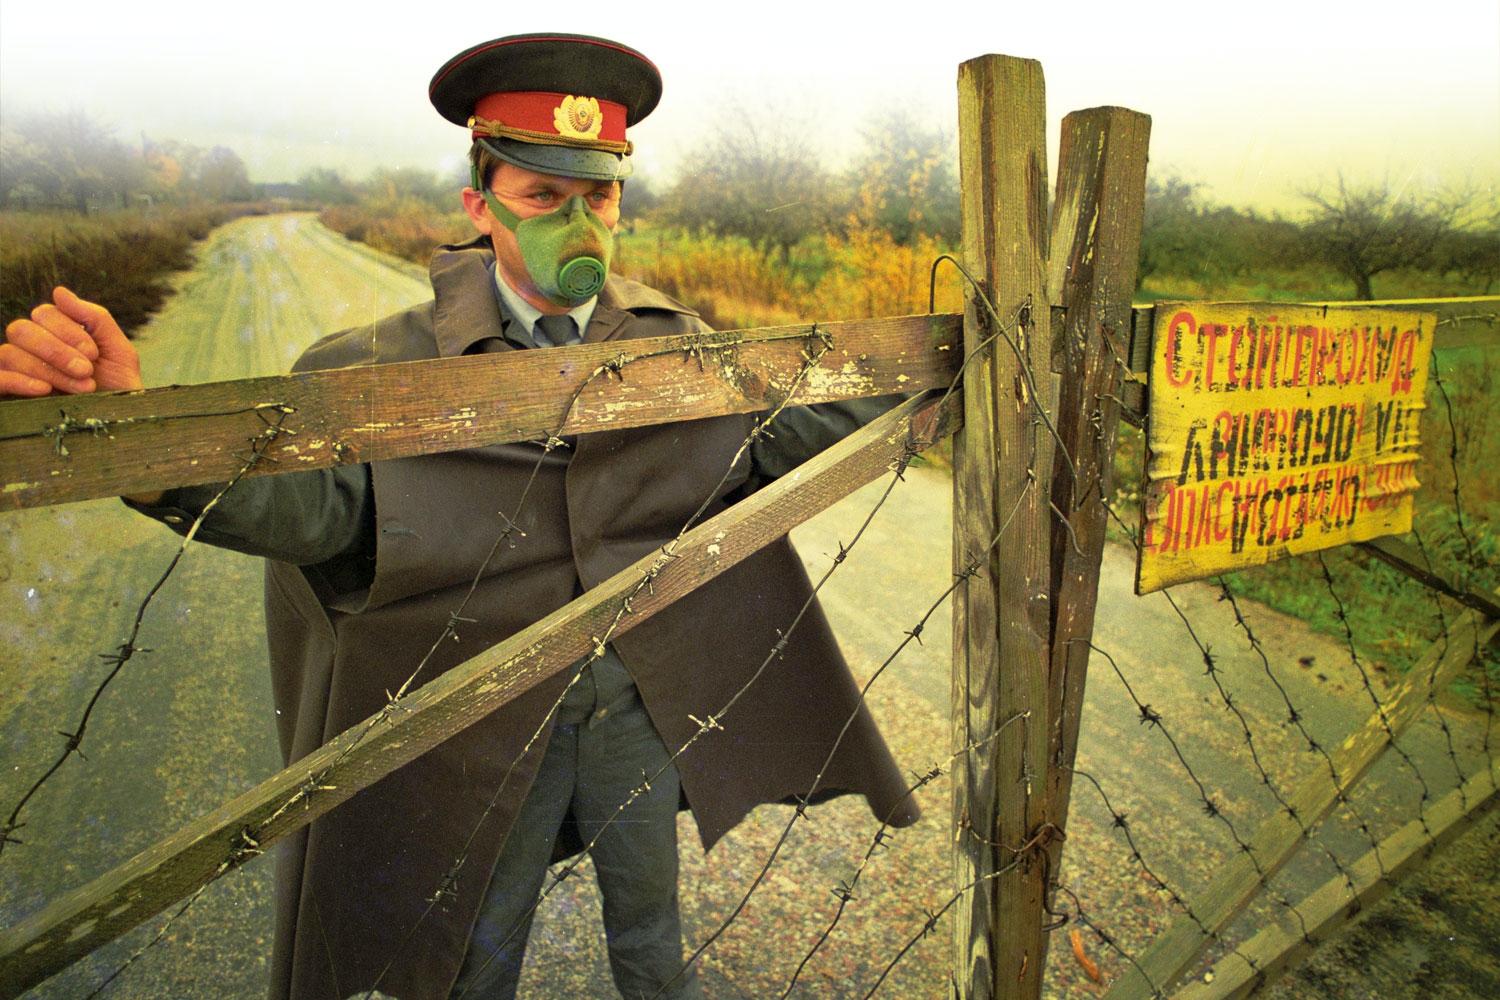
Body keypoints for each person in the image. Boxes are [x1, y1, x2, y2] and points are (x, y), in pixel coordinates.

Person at [0, 33, 918, 1000]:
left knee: (651, 929)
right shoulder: (385, 370)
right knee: (479, 946)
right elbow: (318, 507)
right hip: (482, 713)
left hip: (632, 707)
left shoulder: (672, 346)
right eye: (542, 197)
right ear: (480, 206)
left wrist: (942, 368)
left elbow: (765, 444)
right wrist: (149, 443)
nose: (581, 226)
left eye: (598, 197)